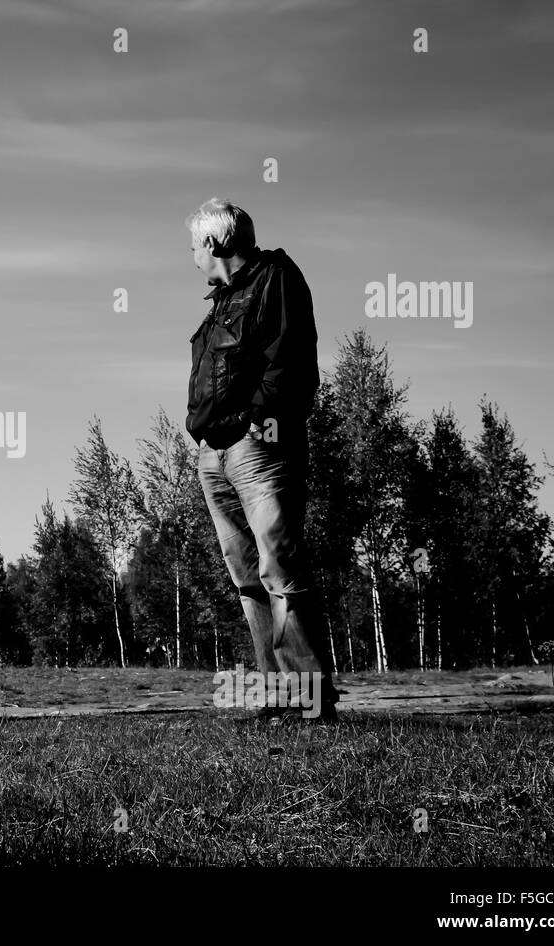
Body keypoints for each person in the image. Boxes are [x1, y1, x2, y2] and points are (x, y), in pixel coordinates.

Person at [184, 198, 340, 724]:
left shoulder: (275, 277)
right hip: (215, 453)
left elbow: (290, 361)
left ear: (211, 243)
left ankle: (311, 698)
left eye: (192, 245)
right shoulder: (221, 301)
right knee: (247, 575)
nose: (190, 255)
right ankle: (277, 695)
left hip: (258, 445)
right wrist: (207, 440)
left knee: (280, 566)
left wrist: (256, 420)